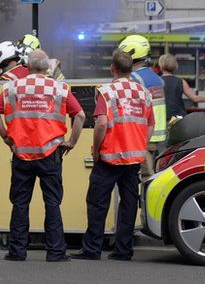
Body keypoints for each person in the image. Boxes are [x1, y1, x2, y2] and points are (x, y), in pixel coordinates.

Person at [0, 49, 85, 262]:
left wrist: (6, 137)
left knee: (20, 203)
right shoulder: (59, 88)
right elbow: (80, 115)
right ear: (47, 67)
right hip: (50, 154)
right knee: (52, 203)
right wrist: (71, 142)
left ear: (28, 66)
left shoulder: (11, 88)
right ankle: (56, 252)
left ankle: (17, 251)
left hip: (21, 155)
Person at [73, 49, 154, 262]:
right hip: (134, 158)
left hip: (110, 156)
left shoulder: (107, 92)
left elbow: (101, 123)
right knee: (128, 204)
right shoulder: (143, 93)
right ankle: (123, 250)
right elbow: (150, 123)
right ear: (131, 68)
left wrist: (96, 149)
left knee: (98, 202)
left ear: (113, 68)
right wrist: (141, 144)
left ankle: (92, 249)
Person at [117, 34, 164, 174]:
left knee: (143, 174)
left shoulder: (134, 79)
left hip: (142, 134)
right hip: (157, 135)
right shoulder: (157, 78)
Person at [157, 54, 205, 123]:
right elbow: (195, 98)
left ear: (161, 66)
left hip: (161, 117)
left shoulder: (155, 82)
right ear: (175, 65)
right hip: (178, 118)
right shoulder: (181, 82)